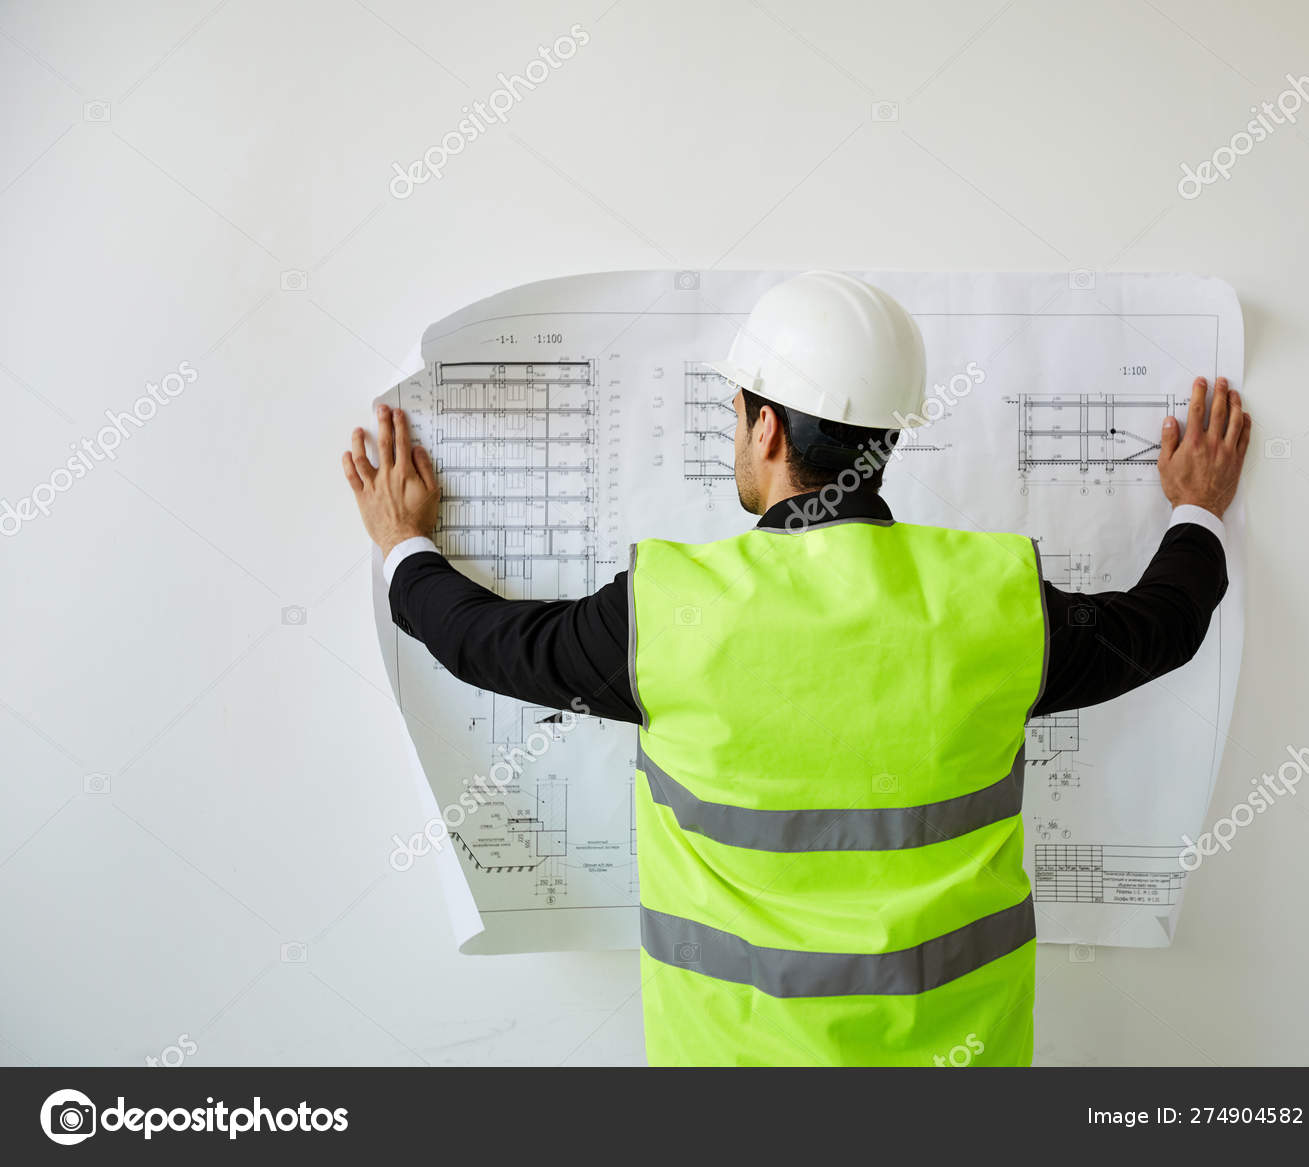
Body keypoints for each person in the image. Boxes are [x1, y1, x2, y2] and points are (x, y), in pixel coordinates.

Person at [342, 270, 1249, 1065]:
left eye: (736, 411)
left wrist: (402, 546)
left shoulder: (670, 613)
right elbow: (1158, 627)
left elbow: (486, 643)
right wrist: (1198, 511)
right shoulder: (994, 602)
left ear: (767, 428)